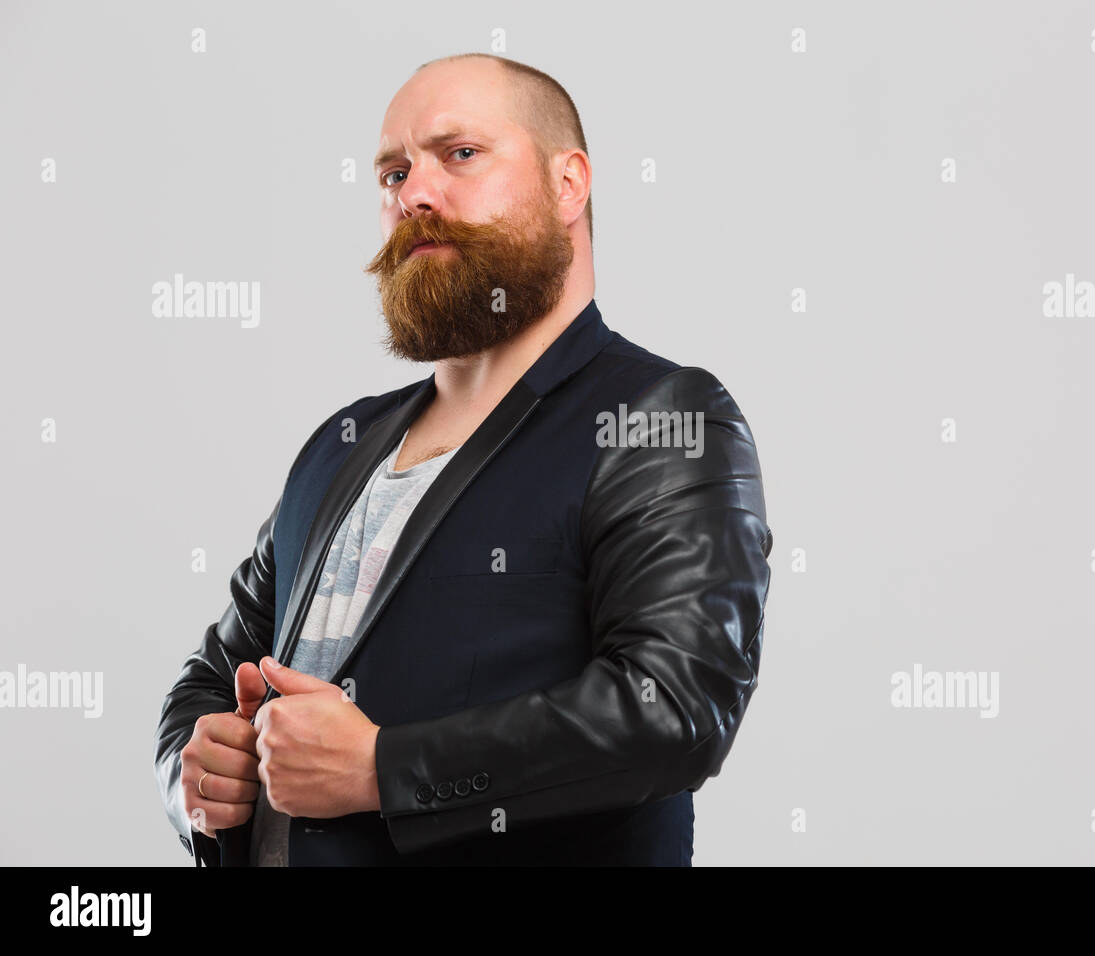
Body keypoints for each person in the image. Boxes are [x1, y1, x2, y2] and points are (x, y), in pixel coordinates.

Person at [153, 52, 772, 866]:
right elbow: (213, 671)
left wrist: (385, 769)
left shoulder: (660, 418)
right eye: (393, 171)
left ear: (569, 183)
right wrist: (192, 773)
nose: (414, 193)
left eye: (461, 155)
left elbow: (675, 711)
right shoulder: (341, 446)